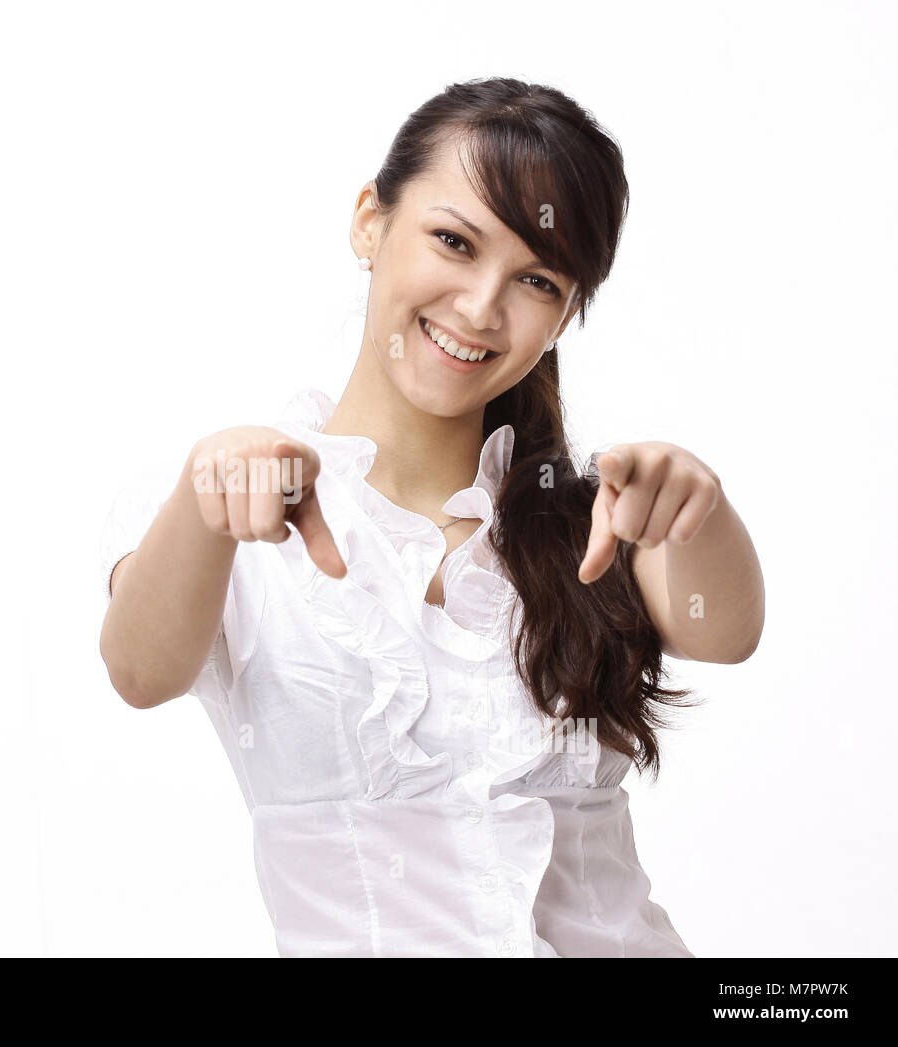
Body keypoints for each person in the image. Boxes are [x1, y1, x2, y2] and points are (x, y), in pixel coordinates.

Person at [97, 77, 765, 957]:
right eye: (454, 241)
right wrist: (203, 496)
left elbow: (725, 632)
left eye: (535, 278)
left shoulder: (592, 516)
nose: (482, 307)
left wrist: (699, 510)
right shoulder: (226, 504)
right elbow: (140, 671)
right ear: (370, 221)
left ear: (565, 314)